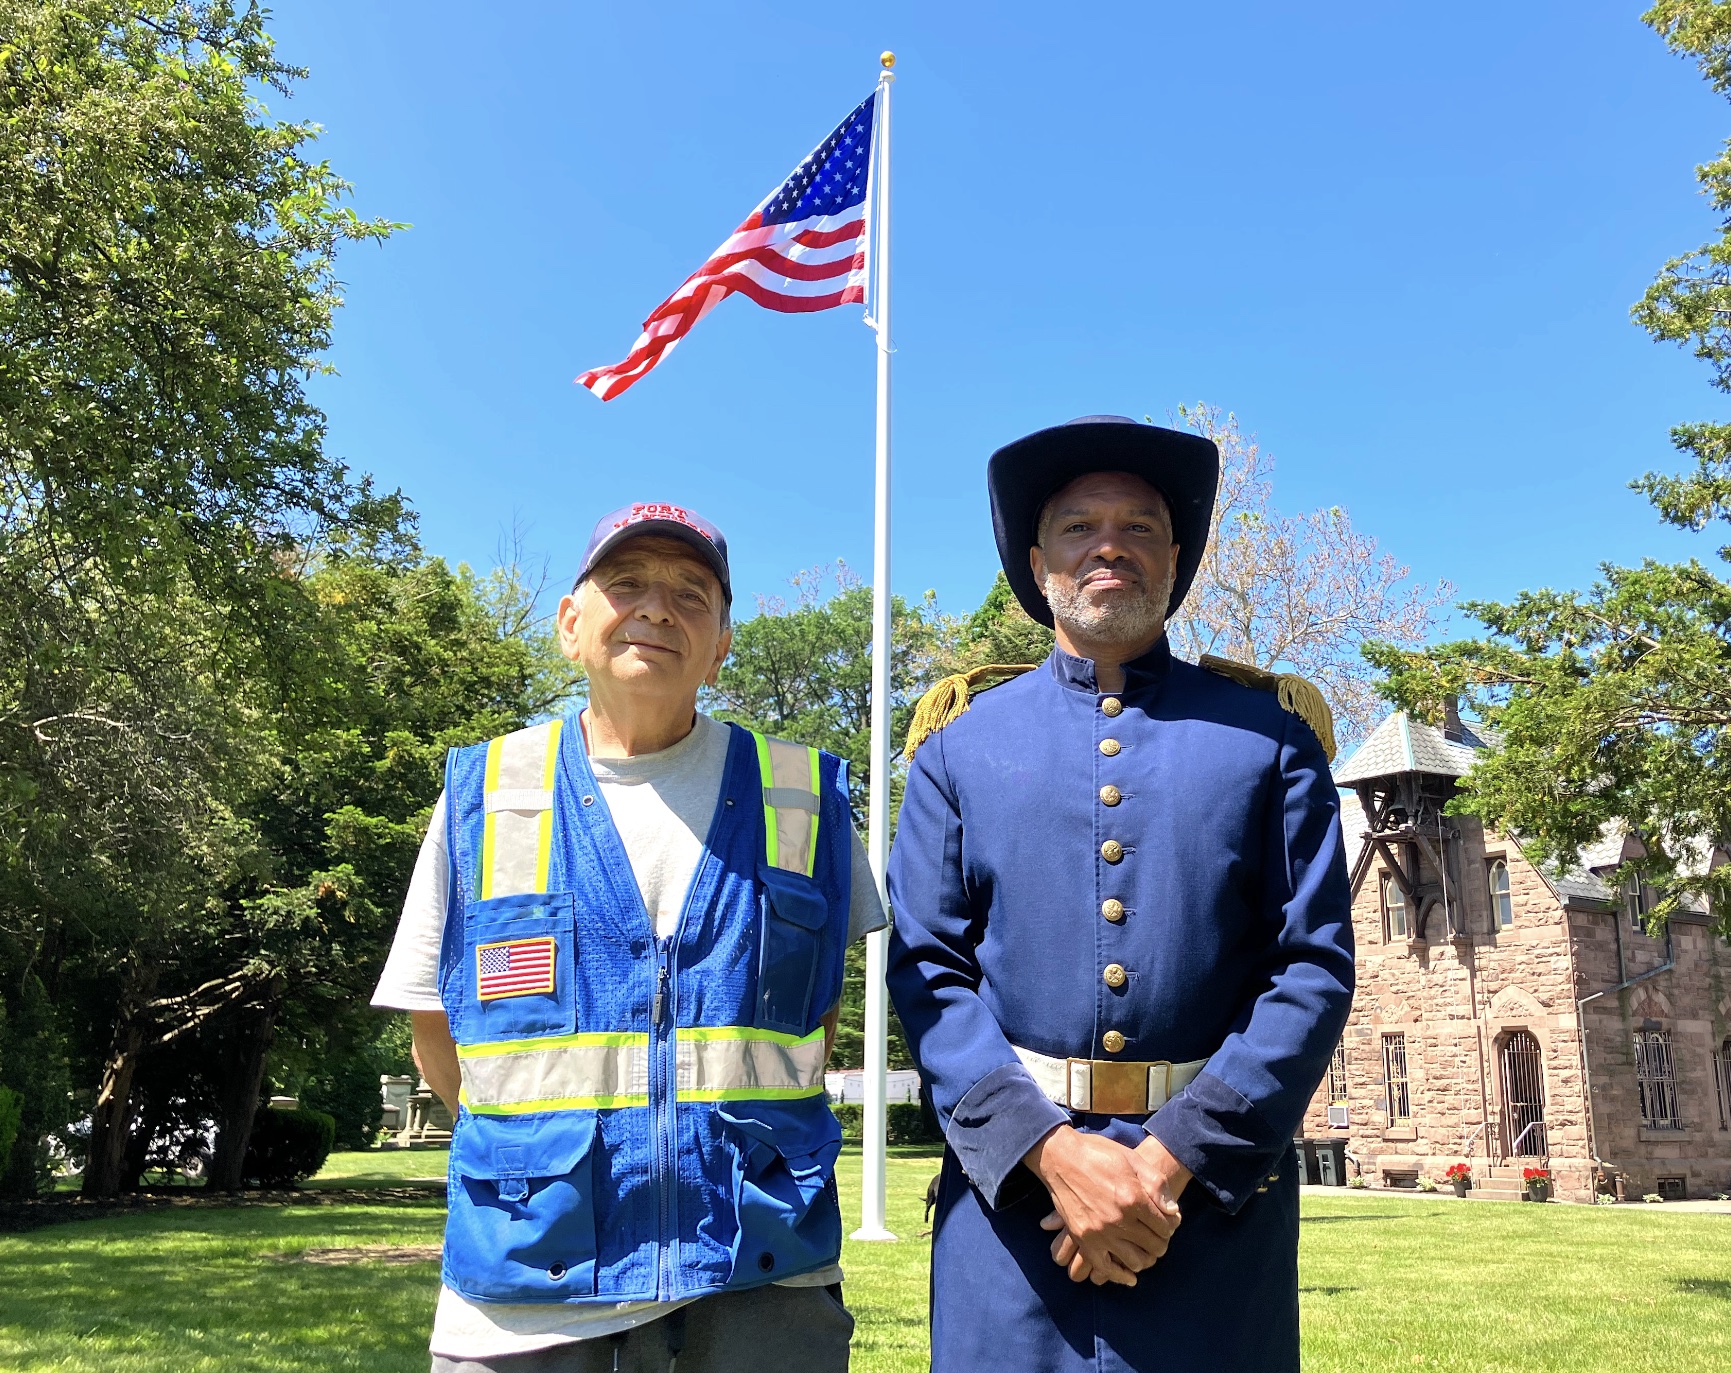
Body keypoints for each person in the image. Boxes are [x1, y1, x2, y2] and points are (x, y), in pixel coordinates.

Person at [886, 416, 1355, 1372]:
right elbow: (927, 970)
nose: (1109, 544)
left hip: (1209, 1213)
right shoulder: (956, 748)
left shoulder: (1268, 740)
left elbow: (1309, 966)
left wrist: (1166, 1158)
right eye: (1077, 526)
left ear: (1176, 557)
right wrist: (1049, 1152)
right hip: (1013, 1213)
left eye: (1139, 526)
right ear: (1035, 558)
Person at [371, 502, 885, 1373]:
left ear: (722, 641)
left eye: (692, 592)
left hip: (760, 1280)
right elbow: (434, 1028)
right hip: (525, 1288)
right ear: (571, 624)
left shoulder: (804, 796)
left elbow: (814, 1019)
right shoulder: (485, 795)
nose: (656, 607)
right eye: (626, 583)